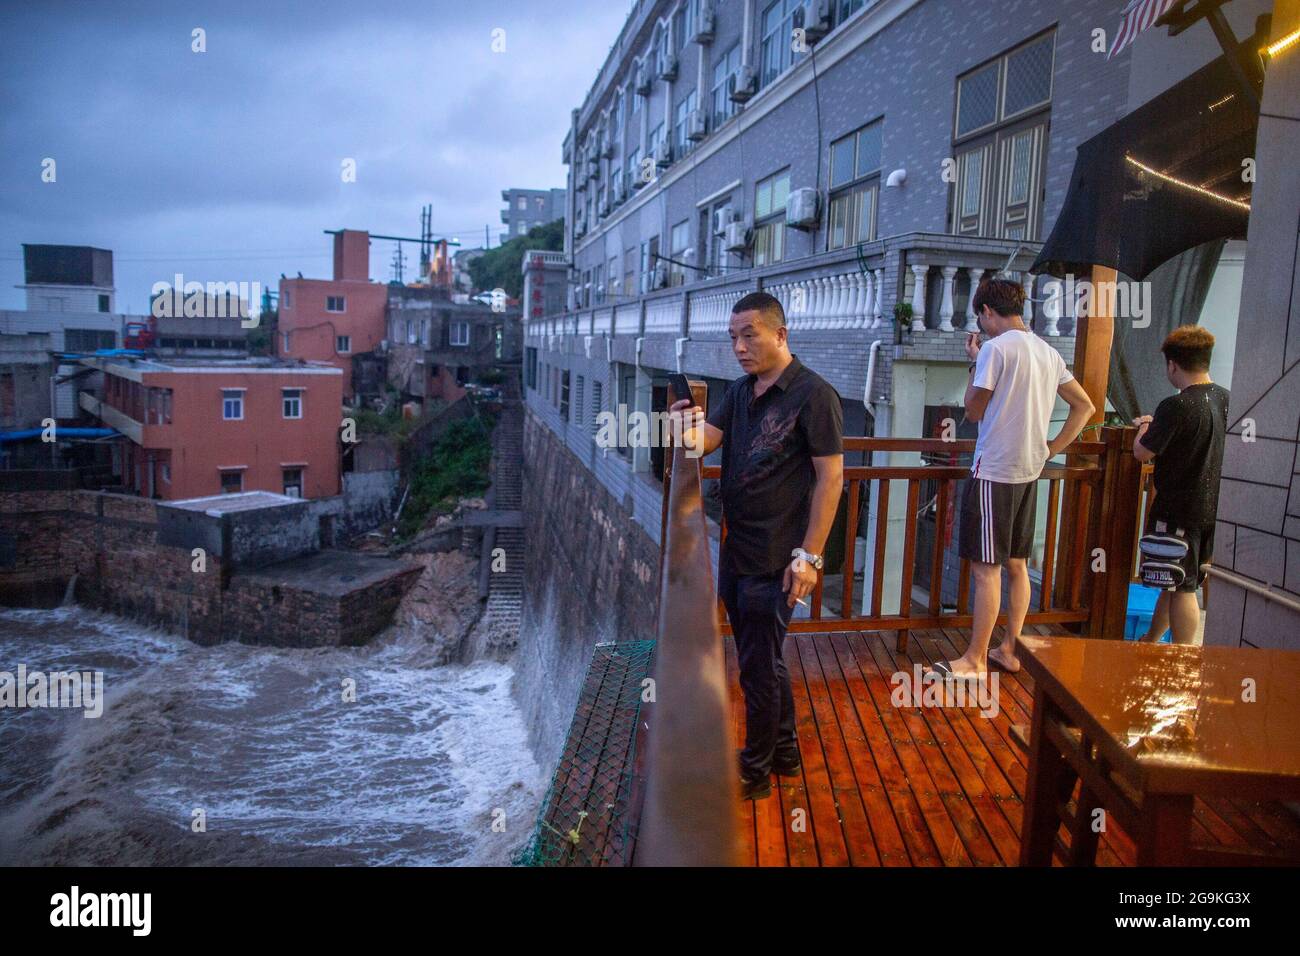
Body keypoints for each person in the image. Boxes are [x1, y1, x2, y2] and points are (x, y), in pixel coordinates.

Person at [672, 291, 843, 801]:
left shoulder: (815, 395)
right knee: (763, 660)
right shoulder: (741, 392)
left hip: (780, 558)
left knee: (756, 666)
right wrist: (684, 426)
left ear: (780, 334)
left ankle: (755, 771)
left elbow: (831, 479)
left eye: (750, 335)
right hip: (738, 549)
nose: (740, 347)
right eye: (734, 338)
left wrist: (809, 557)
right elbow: (707, 441)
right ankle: (785, 751)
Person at [931, 278, 1094, 680]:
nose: (980, 325)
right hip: (1028, 471)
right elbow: (1085, 406)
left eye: (979, 316)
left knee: (987, 568)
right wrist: (1051, 448)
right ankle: (1009, 649)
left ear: (987, 311)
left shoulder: (995, 349)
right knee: (1017, 565)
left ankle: (975, 659)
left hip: (995, 471)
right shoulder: (1046, 351)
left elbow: (972, 410)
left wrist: (973, 361)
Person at [1132, 325, 1229, 645]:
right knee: (1173, 581)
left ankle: (1184, 657)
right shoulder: (1225, 399)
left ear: (1173, 364)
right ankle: (1151, 640)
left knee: (1184, 587)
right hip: (1214, 508)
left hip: (1178, 511)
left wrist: (1144, 426)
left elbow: (1142, 451)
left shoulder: (1176, 406)